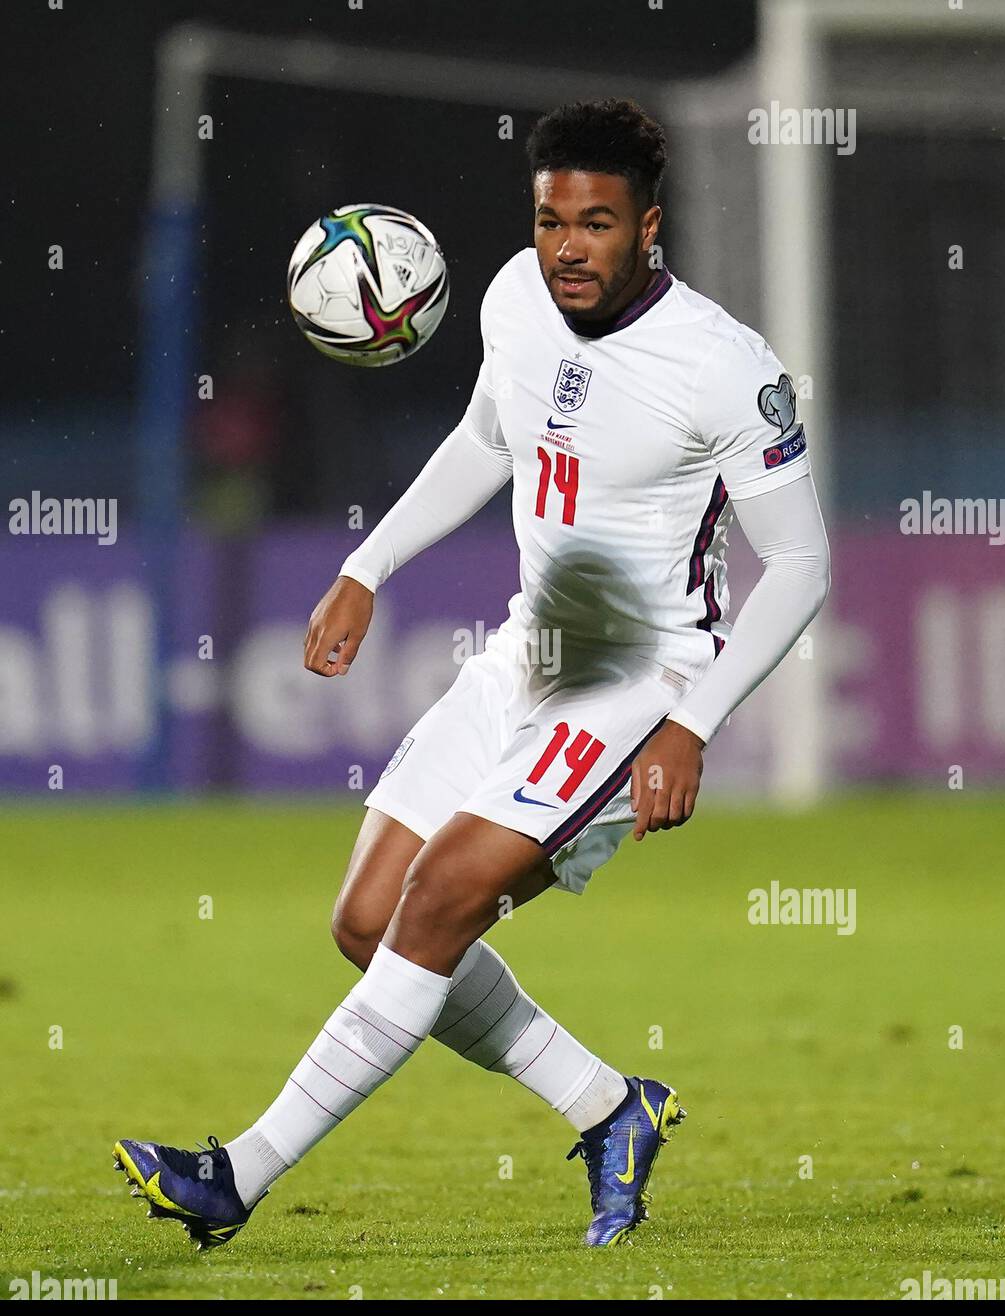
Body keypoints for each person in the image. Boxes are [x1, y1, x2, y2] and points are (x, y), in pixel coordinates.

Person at [114, 98, 830, 1250]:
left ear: (649, 226)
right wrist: (366, 565)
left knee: (441, 894)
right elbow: (487, 444)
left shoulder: (723, 368)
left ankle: (233, 1175)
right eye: (551, 221)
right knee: (364, 920)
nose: (567, 248)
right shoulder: (510, 294)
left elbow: (799, 562)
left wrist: (691, 725)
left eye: (596, 224)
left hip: (633, 680)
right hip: (523, 654)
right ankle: (609, 1107)